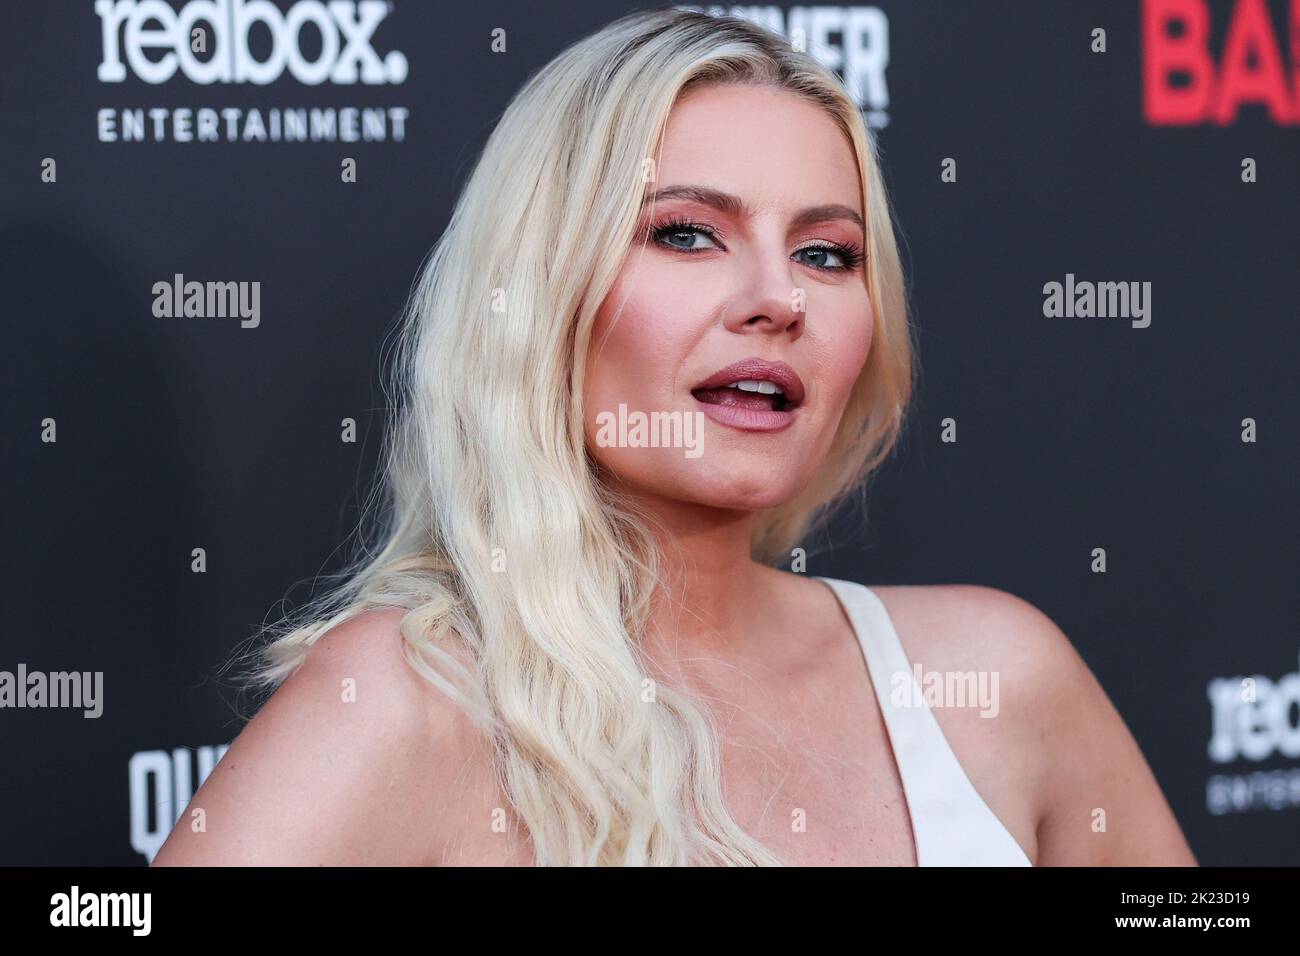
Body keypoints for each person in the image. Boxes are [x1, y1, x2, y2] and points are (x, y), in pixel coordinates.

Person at [153, 9, 1196, 867]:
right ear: (539, 289)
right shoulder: (398, 701)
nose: (778, 298)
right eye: (686, 233)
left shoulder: (999, 671)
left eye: (827, 254)